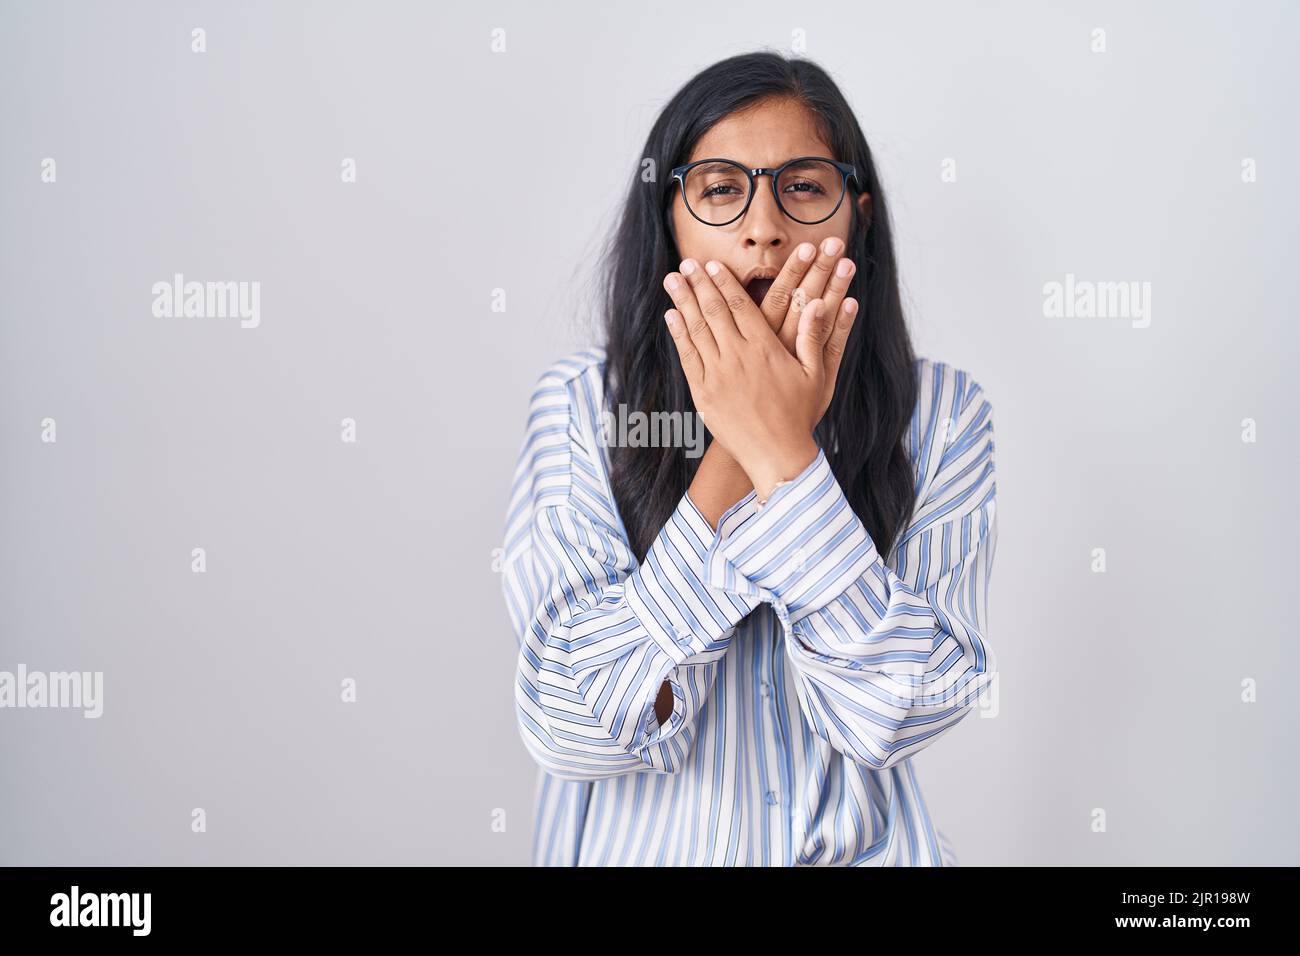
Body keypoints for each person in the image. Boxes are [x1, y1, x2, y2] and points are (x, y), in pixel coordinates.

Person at [500, 50, 998, 866]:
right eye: (722, 190)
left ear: (857, 217)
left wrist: (784, 457)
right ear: (670, 221)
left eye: (802, 187)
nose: (763, 226)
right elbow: (568, 726)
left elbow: (903, 710)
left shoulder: (940, 415)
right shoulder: (584, 406)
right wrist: (742, 438)